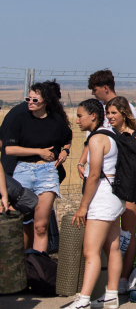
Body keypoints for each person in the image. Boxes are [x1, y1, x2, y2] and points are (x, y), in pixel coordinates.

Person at [63, 99, 124, 309]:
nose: (77, 120)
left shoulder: (97, 139)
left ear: (93, 116)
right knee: (112, 247)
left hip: (103, 198)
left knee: (91, 250)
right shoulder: (110, 134)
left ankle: (83, 299)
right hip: (115, 196)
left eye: (80, 116)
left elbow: (94, 175)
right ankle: (111, 296)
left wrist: (83, 207)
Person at [3, 79, 72, 252]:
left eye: (35, 100)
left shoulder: (56, 121)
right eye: (29, 99)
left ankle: (38, 268)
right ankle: (18, 265)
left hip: (47, 173)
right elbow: (9, 149)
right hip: (23, 171)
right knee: (19, 222)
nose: (30, 103)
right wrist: (38, 151)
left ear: (46, 102)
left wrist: (65, 152)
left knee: (40, 227)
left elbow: (68, 138)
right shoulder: (20, 120)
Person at [105, 96, 136, 286]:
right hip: (112, 189)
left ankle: (123, 277)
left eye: (114, 113)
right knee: (112, 233)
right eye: (108, 113)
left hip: (132, 189)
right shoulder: (107, 134)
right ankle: (111, 275)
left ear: (124, 114)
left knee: (127, 233)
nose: (110, 116)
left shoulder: (135, 136)